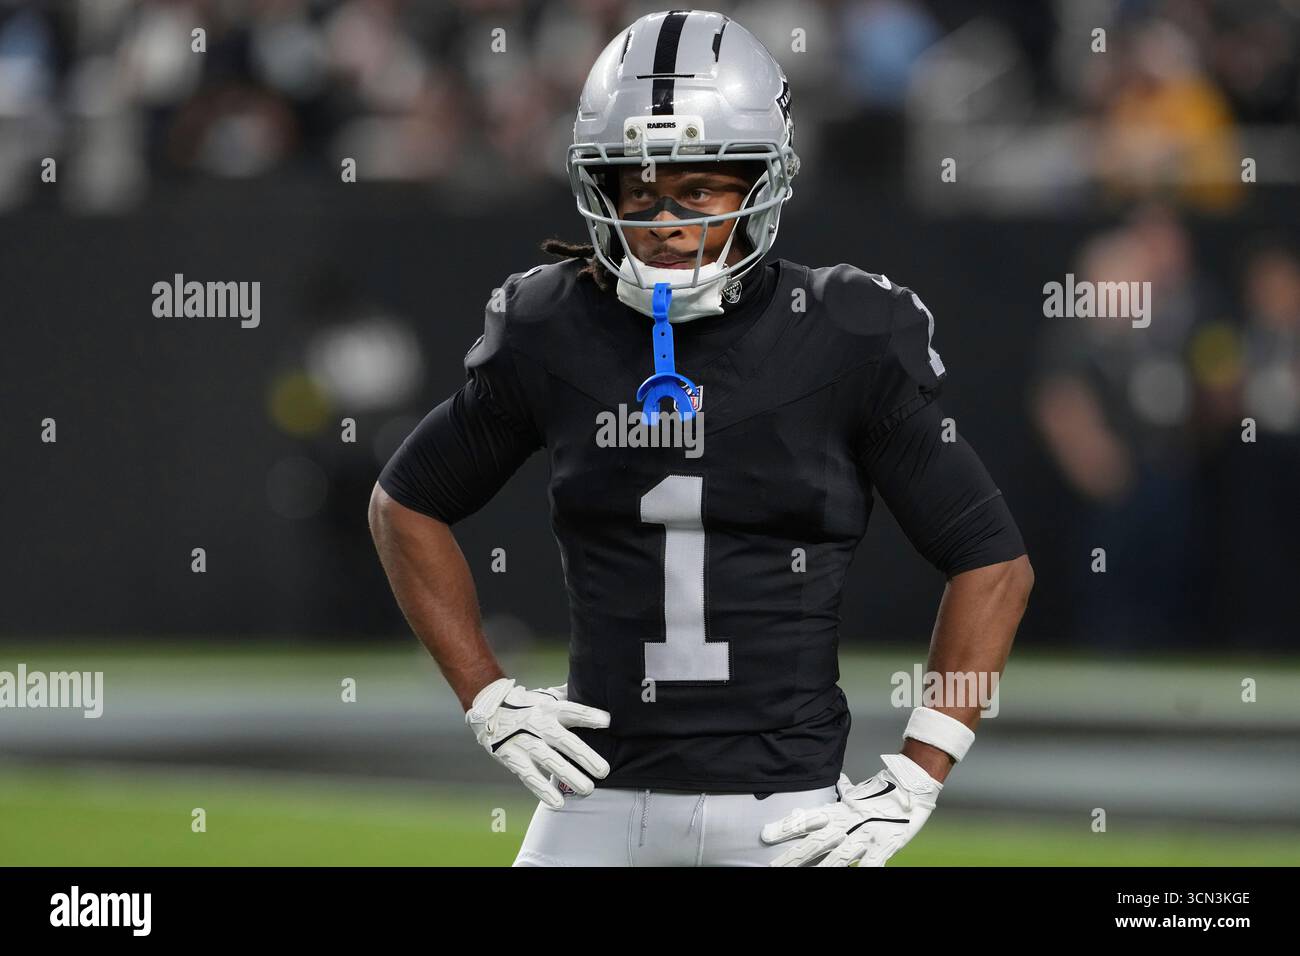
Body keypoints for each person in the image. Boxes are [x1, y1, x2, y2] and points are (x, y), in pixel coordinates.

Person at [369, 10, 1032, 867]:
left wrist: (919, 774)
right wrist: (488, 697)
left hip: (783, 813)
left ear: (761, 183)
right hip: (593, 798)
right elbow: (405, 505)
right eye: (639, 192)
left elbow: (992, 561)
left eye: (701, 189)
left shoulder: (843, 332)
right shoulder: (553, 326)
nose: (667, 221)